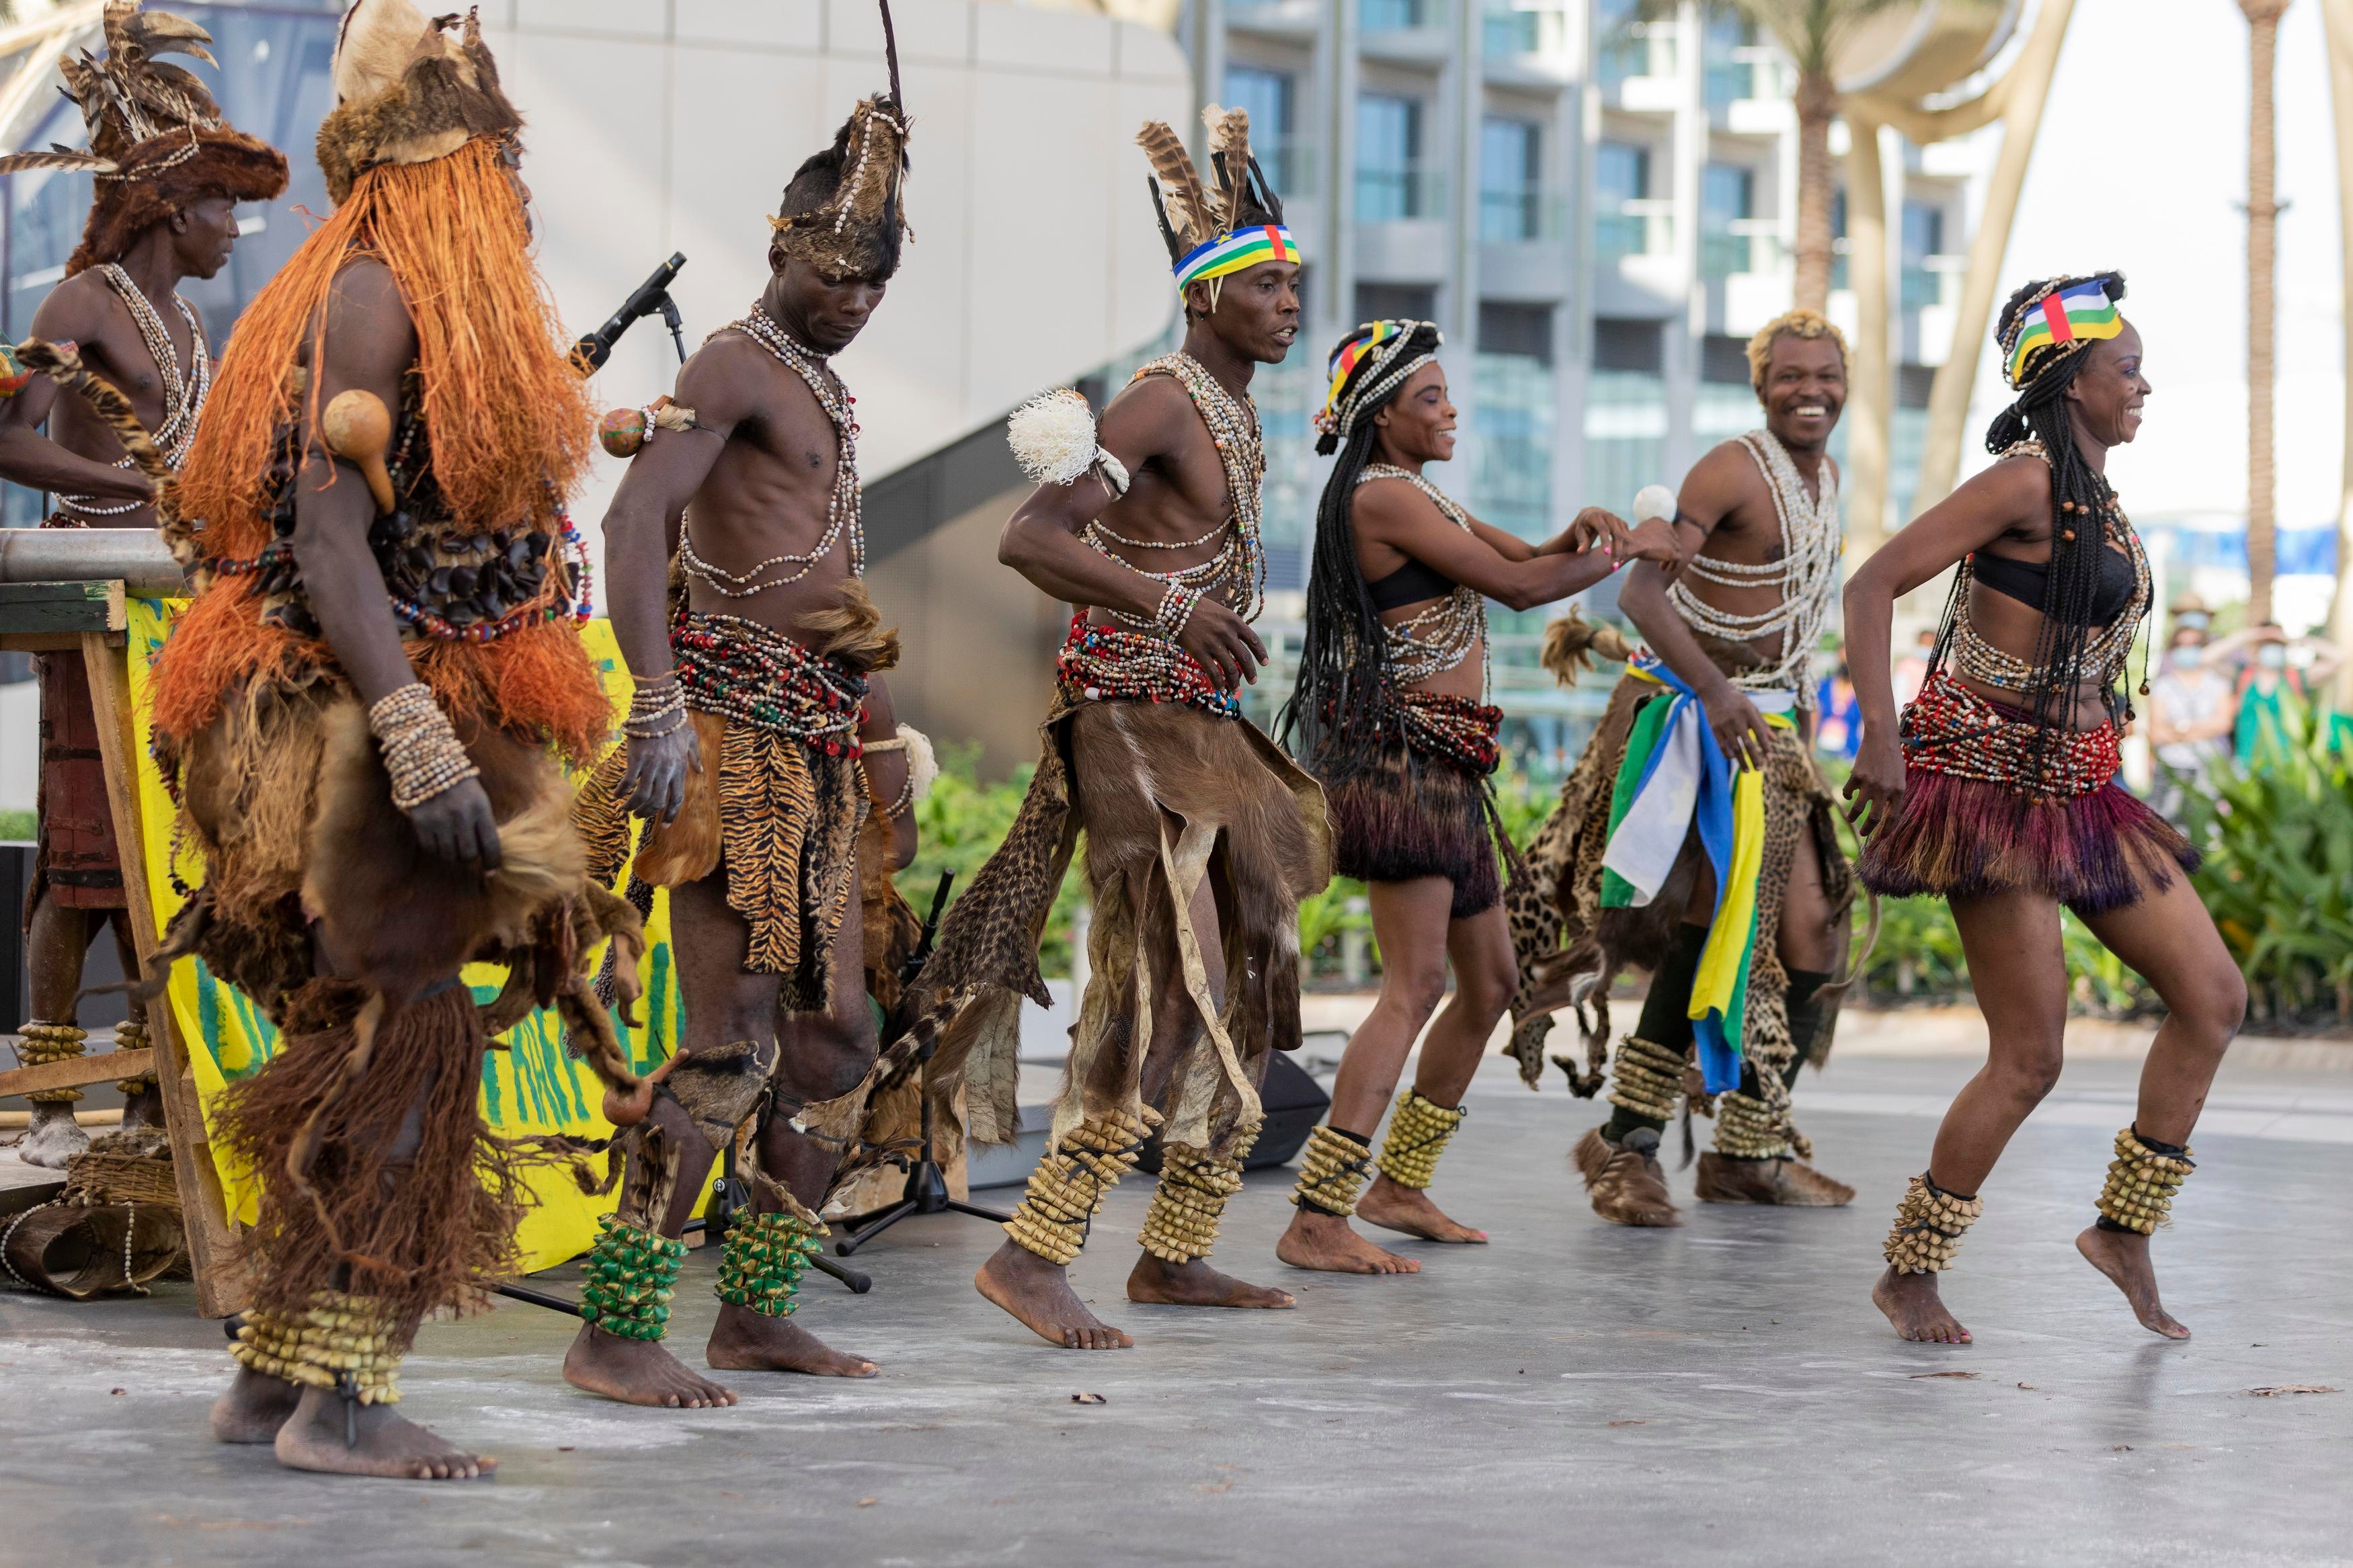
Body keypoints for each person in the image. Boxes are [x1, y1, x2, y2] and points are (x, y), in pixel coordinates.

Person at [146, 0, 643, 1478]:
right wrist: (418, 737)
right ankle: (347, 1402)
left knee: (353, 1044)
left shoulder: (395, 291)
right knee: (412, 1046)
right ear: (446, 169)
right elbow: (321, 530)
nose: (519, 193)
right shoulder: (372, 293)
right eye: (499, 165)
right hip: (363, 708)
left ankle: (268, 1378)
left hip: (384, 692)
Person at [905, 106, 1328, 1350]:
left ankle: (1176, 1253)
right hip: (1128, 719)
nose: (1290, 301)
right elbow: (1029, 535)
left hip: (1199, 723)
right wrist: (1171, 604)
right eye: (1264, 285)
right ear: (1206, 299)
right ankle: (1035, 1254)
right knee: (1169, 984)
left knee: (1246, 976)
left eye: (1297, 282)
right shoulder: (1158, 399)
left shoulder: (1232, 409)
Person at [566, 50, 916, 1405]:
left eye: (878, 284)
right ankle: (614, 1322)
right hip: (728, 738)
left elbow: (820, 577)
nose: (860, 302)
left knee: (835, 1036)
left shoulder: (815, 380)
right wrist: (652, 700)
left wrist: (874, 741)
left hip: (814, 739)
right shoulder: (731, 358)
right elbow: (633, 517)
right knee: (731, 1037)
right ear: (780, 246)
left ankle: (758, 1308)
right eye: (837, 275)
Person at [1844, 272, 2244, 1345]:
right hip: (1987, 788)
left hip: (2081, 787)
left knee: (2213, 994)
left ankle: (2124, 1230)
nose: (2144, 386)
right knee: (2031, 1053)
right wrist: (1881, 736)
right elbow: (1873, 584)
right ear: (2072, 380)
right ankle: (1910, 1271)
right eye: (2128, 368)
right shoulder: (2021, 482)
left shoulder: (2098, 498)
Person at [1272, 319, 1671, 1273]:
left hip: (1446, 771)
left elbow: (1531, 555)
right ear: (1382, 415)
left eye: (1449, 394)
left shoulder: (1418, 494)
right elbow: (1524, 592)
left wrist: (1585, 529)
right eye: (1431, 398)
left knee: (1491, 983)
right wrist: (1635, 551)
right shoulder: (1380, 500)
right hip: (1405, 770)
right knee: (1414, 987)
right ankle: (1318, 1214)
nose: (1453, 409)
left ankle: (1399, 1183)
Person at [0, 3, 286, 1167]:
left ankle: (163, 1097)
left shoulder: (182, 315)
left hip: (173, 605)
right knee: (84, 860)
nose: (236, 227)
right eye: (222, 202)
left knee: (166, 852)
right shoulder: (81, 305)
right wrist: (138, 491)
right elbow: (7, 437)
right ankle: (55, 1103)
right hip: (93, 601)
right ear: (169, 201)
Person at [1507, 308, 1863, 1227]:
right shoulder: (1732, 468)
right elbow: (1639, 587)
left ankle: (1748, 1151)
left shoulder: (1823, 478)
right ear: (1761, 385)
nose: (1811, 390)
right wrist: (1714, 690)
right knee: (1709, 932)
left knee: (1811, 935)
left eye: (1826, 374)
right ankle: (1626, 1148)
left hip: (1772, 729)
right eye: (1791, 376)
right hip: (1702, 724)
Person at [2143, 595, 2242, 820]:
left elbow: (2224, 722)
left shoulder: (2219, 667)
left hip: (2210, 762)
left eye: (2194, 645)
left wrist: (2179, 729)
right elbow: (2156, 730)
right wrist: (2200, 730)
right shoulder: (2165, 676)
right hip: (2172, 764)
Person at [2232, 623, 2342, 763]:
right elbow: (2205, 660)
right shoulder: (2244, 677)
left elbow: (2340, 658)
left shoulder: (2295, 677)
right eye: (2267, 644)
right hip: (2247, 762)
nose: (2273, 649)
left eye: (2277, 645)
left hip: (2288, 765)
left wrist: (2297, 640)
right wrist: (2248, 635)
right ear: (2258, 648)